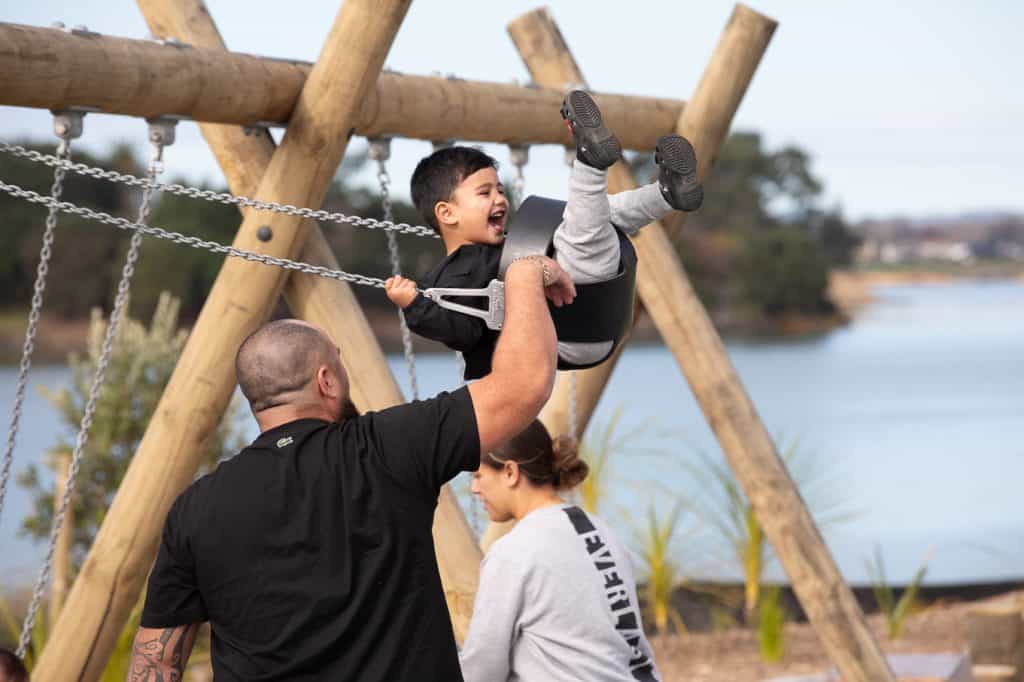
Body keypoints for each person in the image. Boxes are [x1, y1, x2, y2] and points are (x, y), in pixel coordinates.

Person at [127, 255, 575, 681]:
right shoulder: (388, 447)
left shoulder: (195, 509)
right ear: (326, 380)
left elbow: (157, 661)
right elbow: (524, 385)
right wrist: (521, 274)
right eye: (340, 362)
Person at [386, 89, 703, 380]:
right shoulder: (444, 280)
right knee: (581, 226)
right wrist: (413, 304)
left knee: (597, 214)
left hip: (595, 311)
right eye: (484, 193)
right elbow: (462, 334)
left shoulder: (506, 245)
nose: (500, 199)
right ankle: (590, 161)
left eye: (499, 189)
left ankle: (667, 194)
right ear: (447, 213)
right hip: (567, 329)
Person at [460, 420, 662, 682]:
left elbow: (482, 671)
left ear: (510, 472)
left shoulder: (513, 552)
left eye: (478, 475)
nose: (474, 489)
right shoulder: (604, 533)